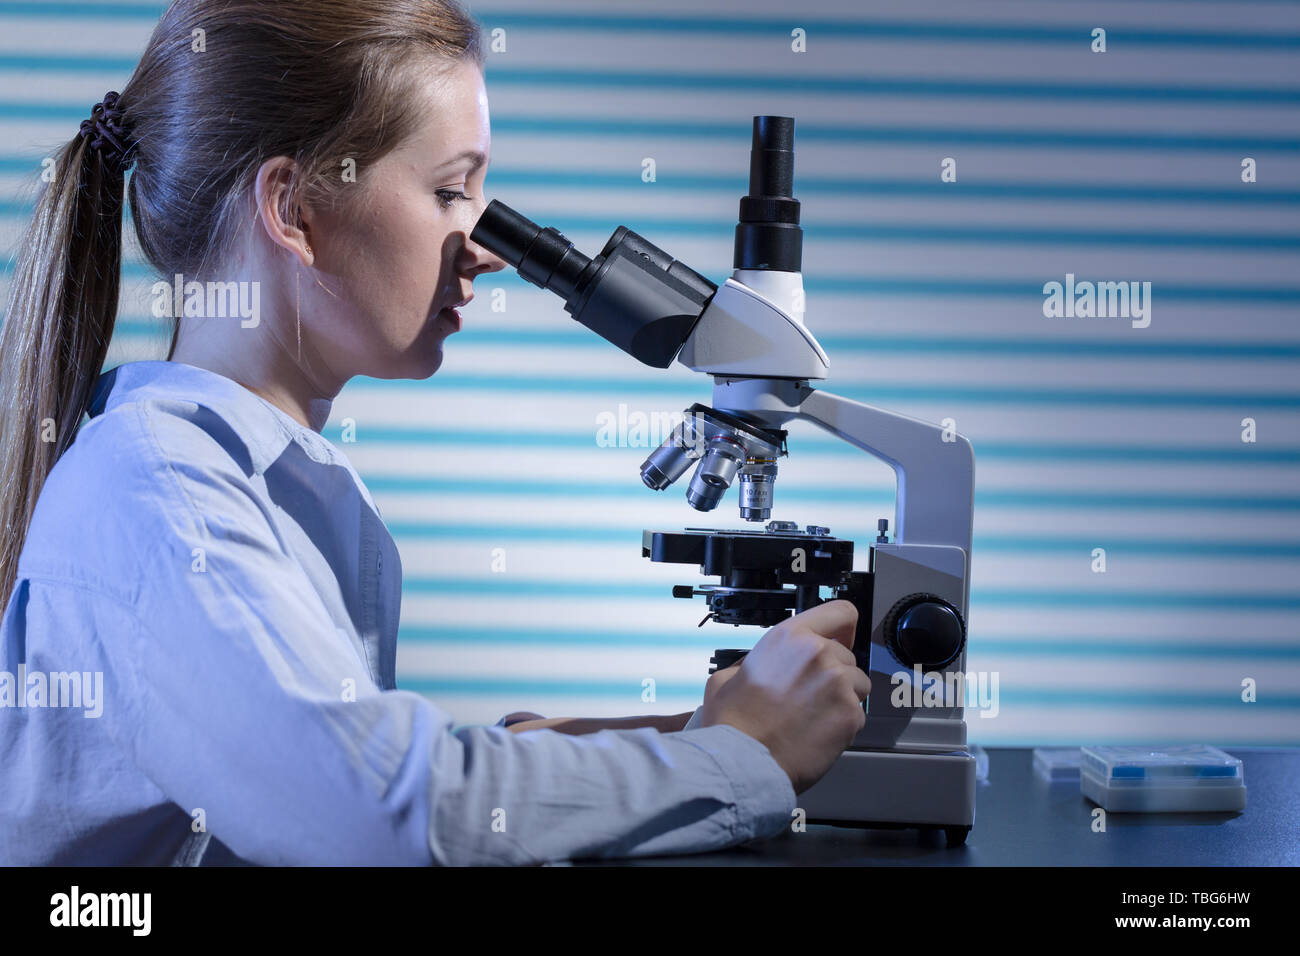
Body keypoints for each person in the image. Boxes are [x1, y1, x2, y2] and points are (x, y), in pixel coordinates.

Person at [0, 0, 869, 866]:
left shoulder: (269, 481)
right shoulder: (161, 497)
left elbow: (352, 751)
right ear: (295, 209)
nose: (485, 248)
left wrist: (697, 728)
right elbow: (374, 815)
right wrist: (735, 758)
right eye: (451, 189)